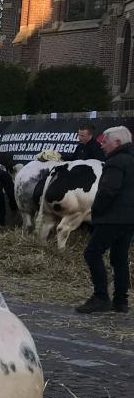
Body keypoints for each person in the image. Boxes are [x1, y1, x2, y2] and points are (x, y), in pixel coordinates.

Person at [76, 125, 134, 314]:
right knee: (119, 259)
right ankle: (120, 301)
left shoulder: (116, 162)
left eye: (105, 140)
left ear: (117, 142)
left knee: (92, 253)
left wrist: (96, 211)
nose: (101, 144)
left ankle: (101, 297)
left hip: (112, 218)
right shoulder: (131, 160)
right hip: (128, 219)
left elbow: (108, 191)